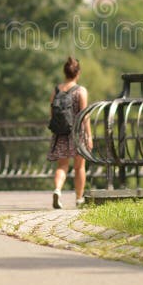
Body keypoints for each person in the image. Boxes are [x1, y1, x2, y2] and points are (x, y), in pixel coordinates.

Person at [47, 56, 93, 209]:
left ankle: (57, 190)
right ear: (78, 73)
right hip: (77, 134)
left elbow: (51, 114)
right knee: (79, 167)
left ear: (64, 72)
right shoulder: (81, 91)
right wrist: (89, 136)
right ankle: (79, 198)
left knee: (62, 166)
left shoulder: (56, 90)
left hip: (61, 133)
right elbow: (84, 115)